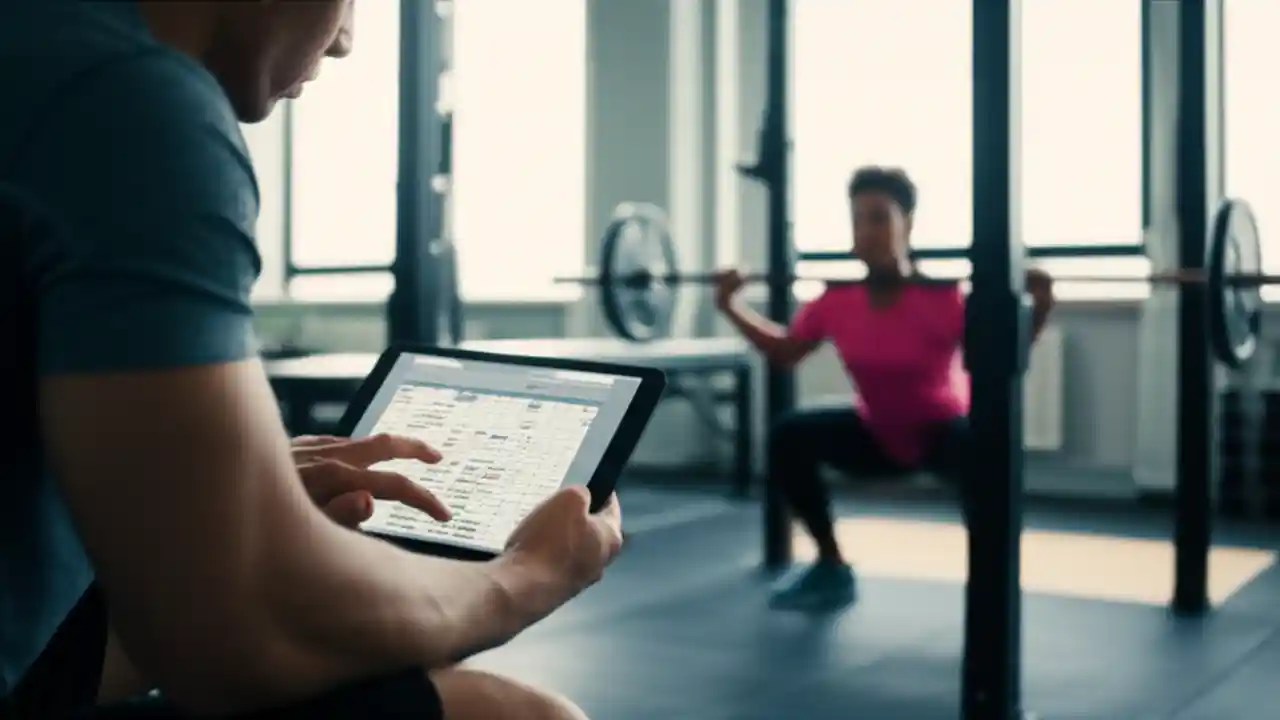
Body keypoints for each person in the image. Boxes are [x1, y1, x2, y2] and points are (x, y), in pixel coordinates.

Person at [1, 2, 620, 718]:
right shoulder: (126, 101)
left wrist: (218, 494)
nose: (347, 40)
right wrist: (529, 574)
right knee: (517, 715)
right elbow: (245, 636)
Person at [714, 166, 1055, 612]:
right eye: (857, 219)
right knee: (789, 435)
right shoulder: (836, 300)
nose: (866, 230)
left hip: (941, 435)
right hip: (875, 434)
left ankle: (993, 582)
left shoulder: (942, 297)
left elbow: (1001, 360)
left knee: (983, 451)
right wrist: (730, 305)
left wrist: (1042, 304)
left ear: (907, 224)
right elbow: (786, 351)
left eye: (879, 217)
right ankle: (831, 566)